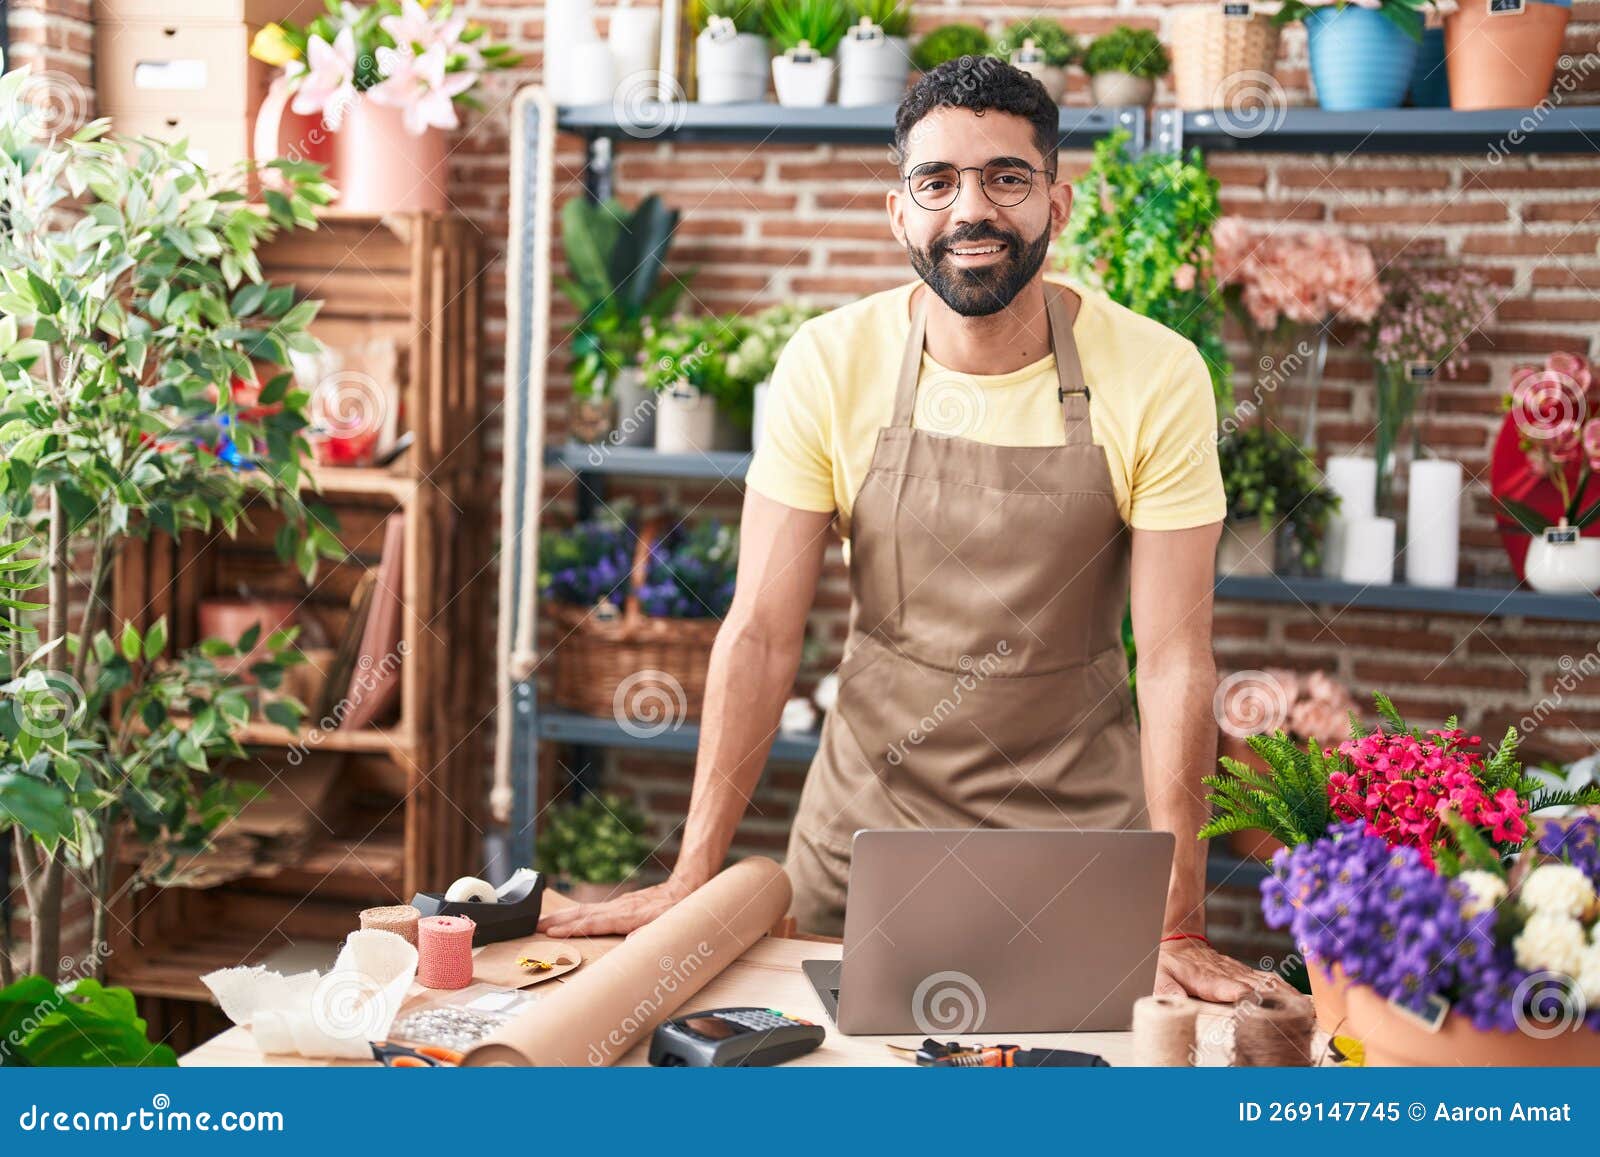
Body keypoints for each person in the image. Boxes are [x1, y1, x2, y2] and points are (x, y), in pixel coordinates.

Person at [542, 58, 1276, 1001]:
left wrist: (1178, 916)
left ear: (1059, 200)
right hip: (863, 836)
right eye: (937, 182)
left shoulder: (1157, 374)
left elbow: (1176, 658)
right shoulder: (831, 363)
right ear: (900, 212)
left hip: (1076, 840)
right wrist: (691, 877)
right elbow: (762, 632)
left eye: (1006, 177)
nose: (973, 209)